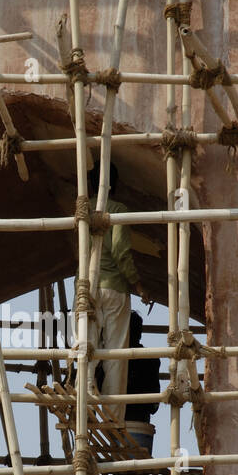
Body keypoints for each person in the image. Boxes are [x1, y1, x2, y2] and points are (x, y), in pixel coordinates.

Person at [89, 161, 159, 423]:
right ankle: (112, 416)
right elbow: (120, 252)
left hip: (85, 288)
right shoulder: (117, 210)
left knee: (87, 346)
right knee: (116, 355)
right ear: (113, 185)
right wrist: (139, 285)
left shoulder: (80, 212)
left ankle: (84, 394)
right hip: (115, 290)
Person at [124, 311, 160, 454]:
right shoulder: (152, 359)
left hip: (117, 421)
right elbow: (154, 405)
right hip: (142, 423)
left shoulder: (112, 359)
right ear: (140, 333)